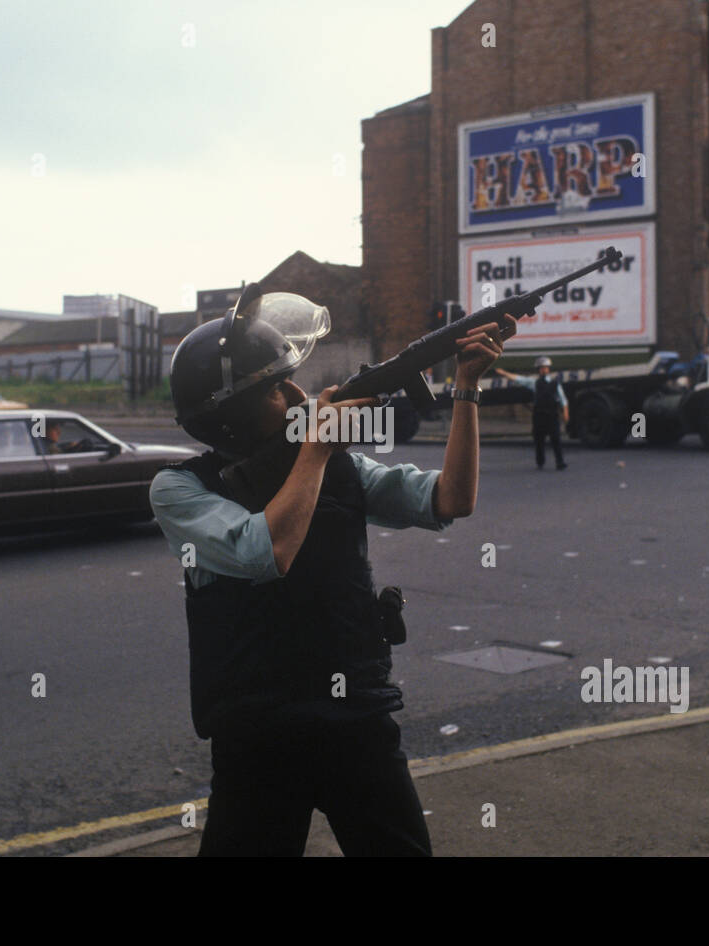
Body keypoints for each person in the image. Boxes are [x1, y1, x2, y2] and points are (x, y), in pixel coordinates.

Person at [149, 283, 515, 856]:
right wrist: (316, 447)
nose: (297, 391)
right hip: (259, 735)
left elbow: (450, 499)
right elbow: (266, 552)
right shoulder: (180, 489)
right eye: (275, 388)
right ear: (233, 415)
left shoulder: (337, 464)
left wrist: (466, 388)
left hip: (357, 721)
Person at [495, 356, 569, 469]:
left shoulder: (555, 383)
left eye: (545, 368)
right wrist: (504, 373)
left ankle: (560, 462)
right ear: (538, 370)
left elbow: (563, 399)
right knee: (539, 440)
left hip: (552, 415)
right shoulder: (534, 382)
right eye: (541, 368)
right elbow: (519, 379)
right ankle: (540, 462)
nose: (543, 370)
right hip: (539, 415)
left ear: (548, 369)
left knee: (556, 439)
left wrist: (565, 413)